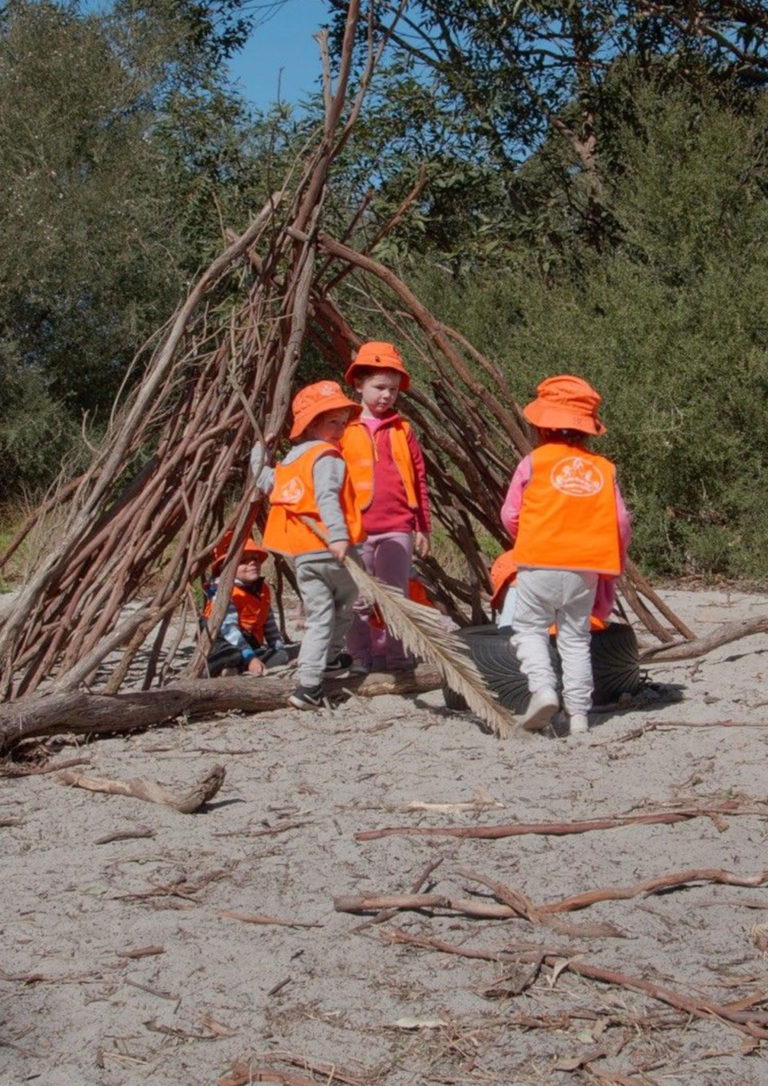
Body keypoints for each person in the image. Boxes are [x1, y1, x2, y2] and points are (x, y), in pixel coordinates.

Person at [501, 375, 632, 736]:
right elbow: (621, 521)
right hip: (585, 568)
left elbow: (510, 515)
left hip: (538, 562)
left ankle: (543, 690)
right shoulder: (604, 469)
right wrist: (611, 563)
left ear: (540, 427)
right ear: (587, 430)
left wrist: (530, 539)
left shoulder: (533, 462)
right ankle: (578, 717)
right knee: (576, 639)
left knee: (529, 628)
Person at [258, 380, 365, 710]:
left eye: (343, 422)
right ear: (311, 424)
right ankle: (310, 683)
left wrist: (257, 454)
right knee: (343, 608)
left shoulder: (289, 463)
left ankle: (319, 671)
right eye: (333, 421)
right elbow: (327, 498)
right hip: (332, 550)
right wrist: (337, 535)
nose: (340, 429)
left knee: (320, 614)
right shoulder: (327, 456)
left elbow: (265, 482)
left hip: (304, 555)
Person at [340, 341, 432, 672]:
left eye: (393, 389)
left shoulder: (402, 429)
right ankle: (361, 657)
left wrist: (422, 525)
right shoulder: (344, 428)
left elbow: (418, 477)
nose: (386, 395)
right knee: (359, 598)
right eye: (379, 387)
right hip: (357, 526)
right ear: (358, 384)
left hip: (397, 525)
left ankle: (398, 657)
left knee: (397, 596)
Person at [202, 534, 289, 677]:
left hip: (248, 642)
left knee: (280, 656)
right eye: (243, 561)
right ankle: (219, 668)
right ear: (226, 567)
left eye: (255, 559)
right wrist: (250, 657)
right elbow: (228, 629)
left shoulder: (262, 590)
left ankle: (238, 668)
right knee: (232, 655)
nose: (252, 564)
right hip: (222, 640)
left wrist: (278, 648)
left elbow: (269, 623)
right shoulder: (222, 589)